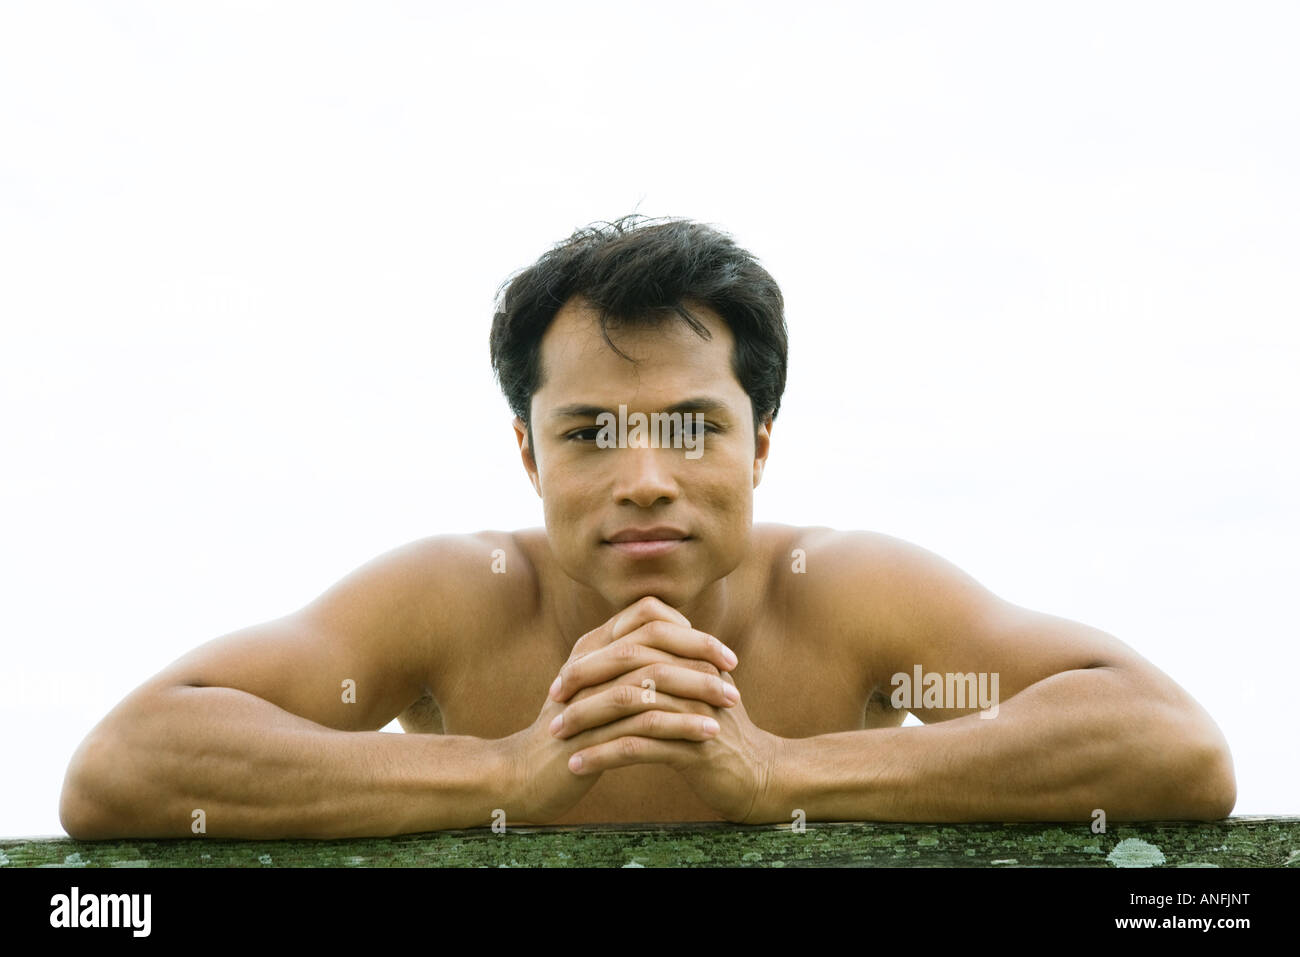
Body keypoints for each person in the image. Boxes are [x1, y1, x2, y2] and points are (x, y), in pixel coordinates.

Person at [59, 214, 1236, 838]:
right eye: (584, 435)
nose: (642, 480)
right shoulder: (456, 594)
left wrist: (783, 771)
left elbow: (1167, 748)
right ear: (524, 453)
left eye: (689, 428)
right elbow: (124, 768)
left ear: (760, 442)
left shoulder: (848, 590)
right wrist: (502, 773)